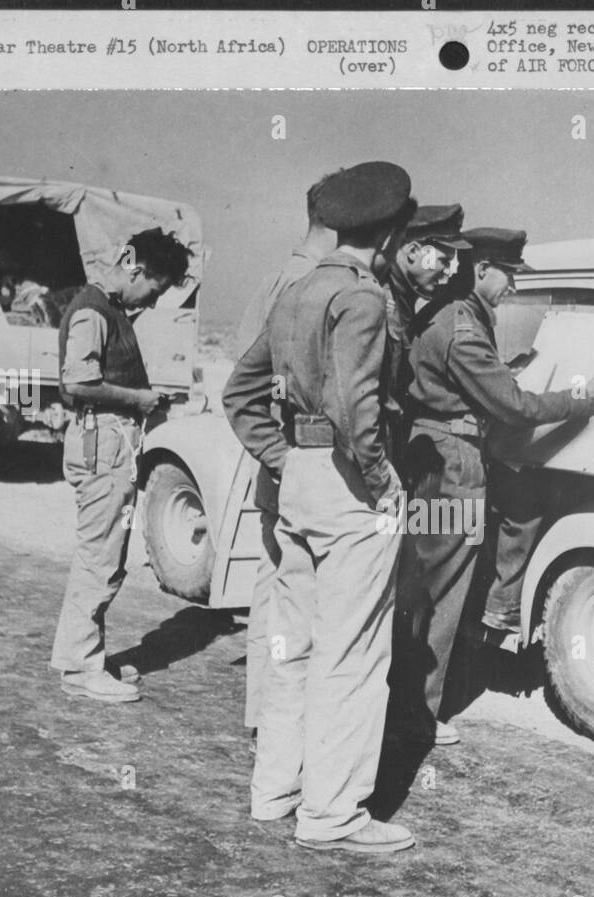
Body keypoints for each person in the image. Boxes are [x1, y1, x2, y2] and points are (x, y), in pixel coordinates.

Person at [222, 161, 417, 854]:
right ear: (389, 234)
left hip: (298, 481)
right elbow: (353, 404)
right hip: (347, 486)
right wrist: (381, 477)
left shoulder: (296, 291)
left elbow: (239, 395)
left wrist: (285, 458)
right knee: (354, 652)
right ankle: (333, 814)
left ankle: (275, 791)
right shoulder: (361, 300)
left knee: (292, 645)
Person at [395, 227, 594, 746]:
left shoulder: (452, 314)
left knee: (426, 585)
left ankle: (406, 705)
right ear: (481, 269)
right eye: (509, 274)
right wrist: (583, 397)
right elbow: (514, 407)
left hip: (436, 460)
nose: (513, 287)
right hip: (454, 468)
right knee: (441, 591)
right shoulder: (463, 327)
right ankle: (414, 716)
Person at [50, 227, 193, 702]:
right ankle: (80, 668)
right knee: (100, 558)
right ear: (134, 266)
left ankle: (88, 657)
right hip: (103, 439)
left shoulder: (105, 306)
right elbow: (79, 382)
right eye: (152, 289)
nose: (151, 302)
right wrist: (140, 398)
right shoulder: (94, 310)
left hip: (107, 438)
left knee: (104, 554)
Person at [238, 173, 337, 732]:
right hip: (300, 463)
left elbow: (246, 380)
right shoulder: (312, 285)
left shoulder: (276, 278)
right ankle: (280, 728)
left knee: (273, 593)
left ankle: (263, 719)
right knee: (295, 605)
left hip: (278, 462)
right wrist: (289, 457)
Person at [382, 204, 471, 469]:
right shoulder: (381, 301)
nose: (446, 272)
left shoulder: (404, 298)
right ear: (412, 252)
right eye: (443, 261)